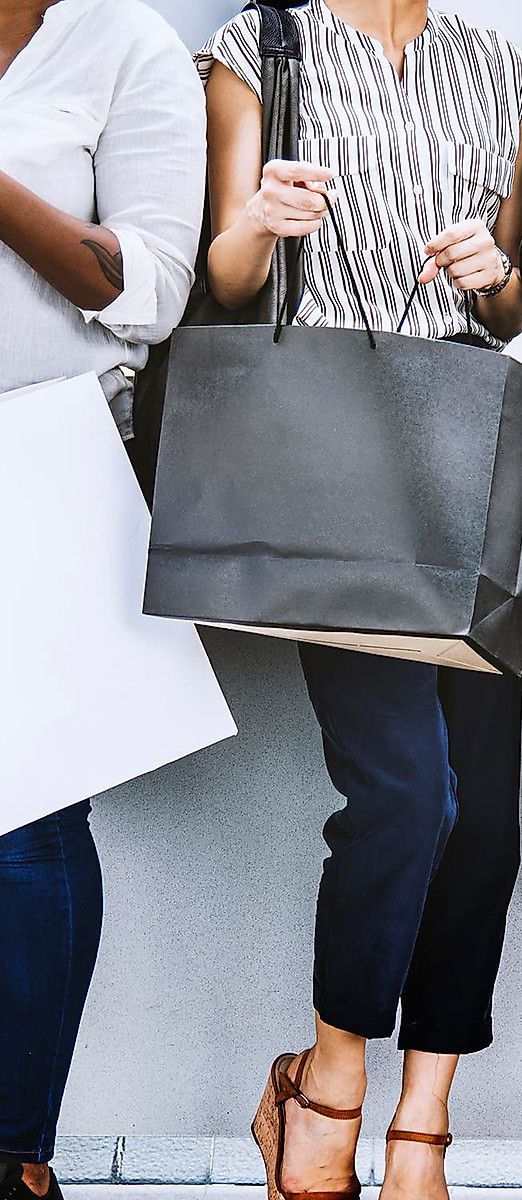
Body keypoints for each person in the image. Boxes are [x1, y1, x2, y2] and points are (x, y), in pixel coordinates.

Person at [200, 4, 522, 1200]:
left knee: (486, 820)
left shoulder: (504, 68)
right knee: (407, 795)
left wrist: (499, 277)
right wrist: (258, 223)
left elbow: (511, 312)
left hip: (466, 450)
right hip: (327, 451)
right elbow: (230, 275)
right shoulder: (262, 46)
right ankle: (328, 1080)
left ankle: (422, 1129)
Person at [0, 2, 206, 1198]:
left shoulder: (125, 47)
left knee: (22, 826)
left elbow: (148, 290)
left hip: (49, 455)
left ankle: (18, 1152)